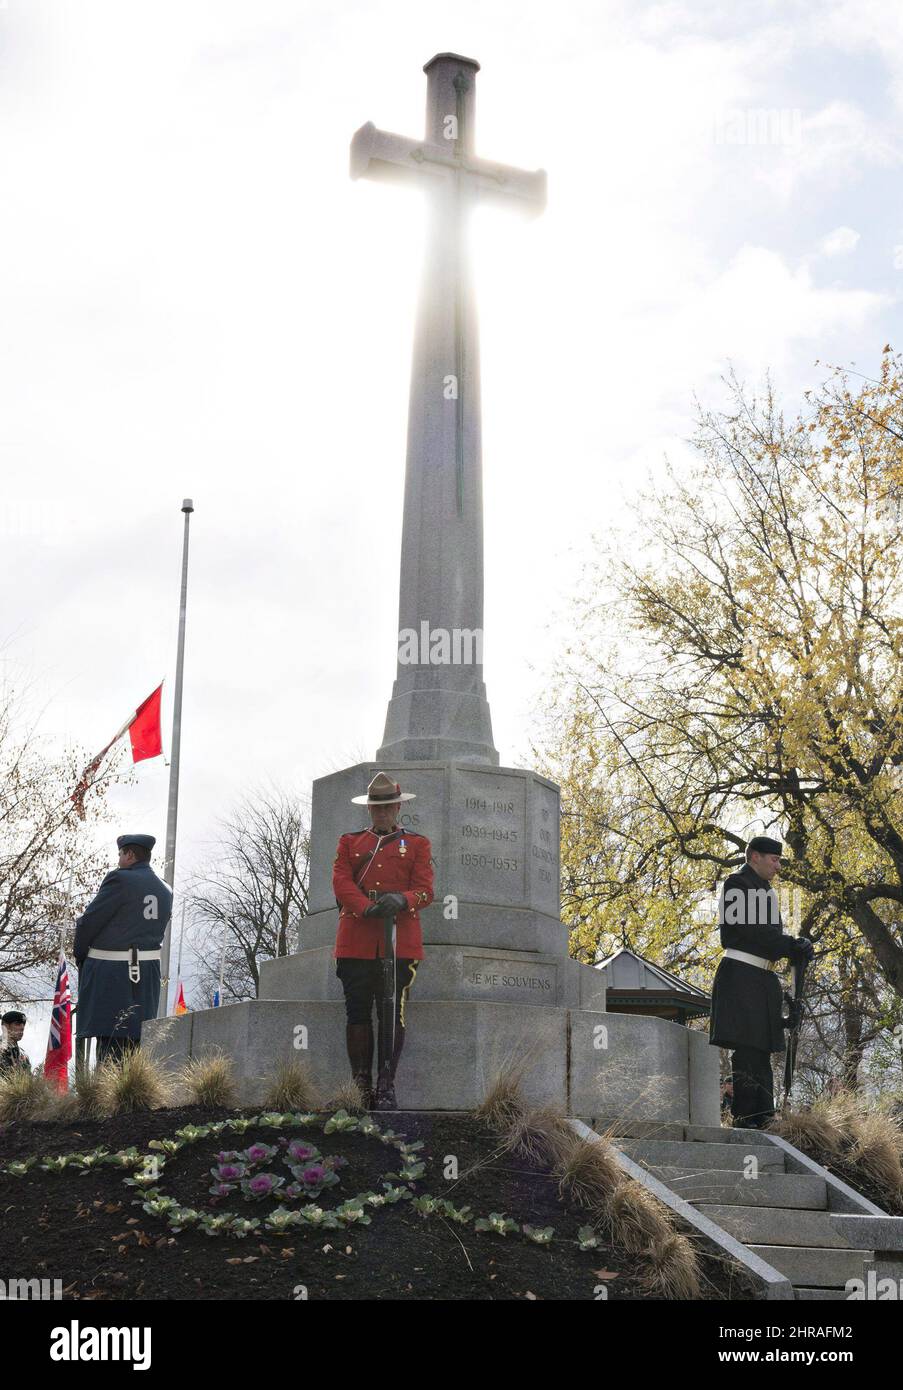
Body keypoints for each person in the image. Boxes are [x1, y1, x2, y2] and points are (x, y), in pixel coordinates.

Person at [332, 772, 433, 1110]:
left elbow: (425, 889)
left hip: (399, 938)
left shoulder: (417, 844)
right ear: (370, 810)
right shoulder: (350, 842)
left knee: (392, 1013)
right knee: (357, 1010)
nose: (382, 813)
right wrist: (367, 907)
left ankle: (386, 1084)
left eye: (388, 807)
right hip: (357, 936)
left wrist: (403, 900)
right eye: (377, 807)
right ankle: (361, 1084)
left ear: (397, 807)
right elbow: (342, 883)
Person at [709, 835, 814, 1128]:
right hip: (741, 976)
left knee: (761, 1050)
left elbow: (768, 938)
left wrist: (794, 947)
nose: (778, 866)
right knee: (746, 1048)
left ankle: (763, 1113)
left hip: (760, 978)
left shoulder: (764, 891)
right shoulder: (737, 885)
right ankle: (746, 1116)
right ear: (754, 856)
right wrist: (792, 944)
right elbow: (751, 932)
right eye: (774, 859)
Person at [74, 833, 173, 1066]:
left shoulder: (120, 880)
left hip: (112, 973)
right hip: (147, 974)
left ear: (129, 854)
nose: (119, 859)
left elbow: (89, 921)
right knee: (134, 1044)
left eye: (120, 854)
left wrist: (81, 956)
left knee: (110, 1043)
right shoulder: (166, 890)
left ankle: (105, 1096)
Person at [0, 1009, 31, 1076]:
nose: (22, 1028)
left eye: (23, 1025)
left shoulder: (24, 1056)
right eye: (17, 1024)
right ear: (5, 1026)